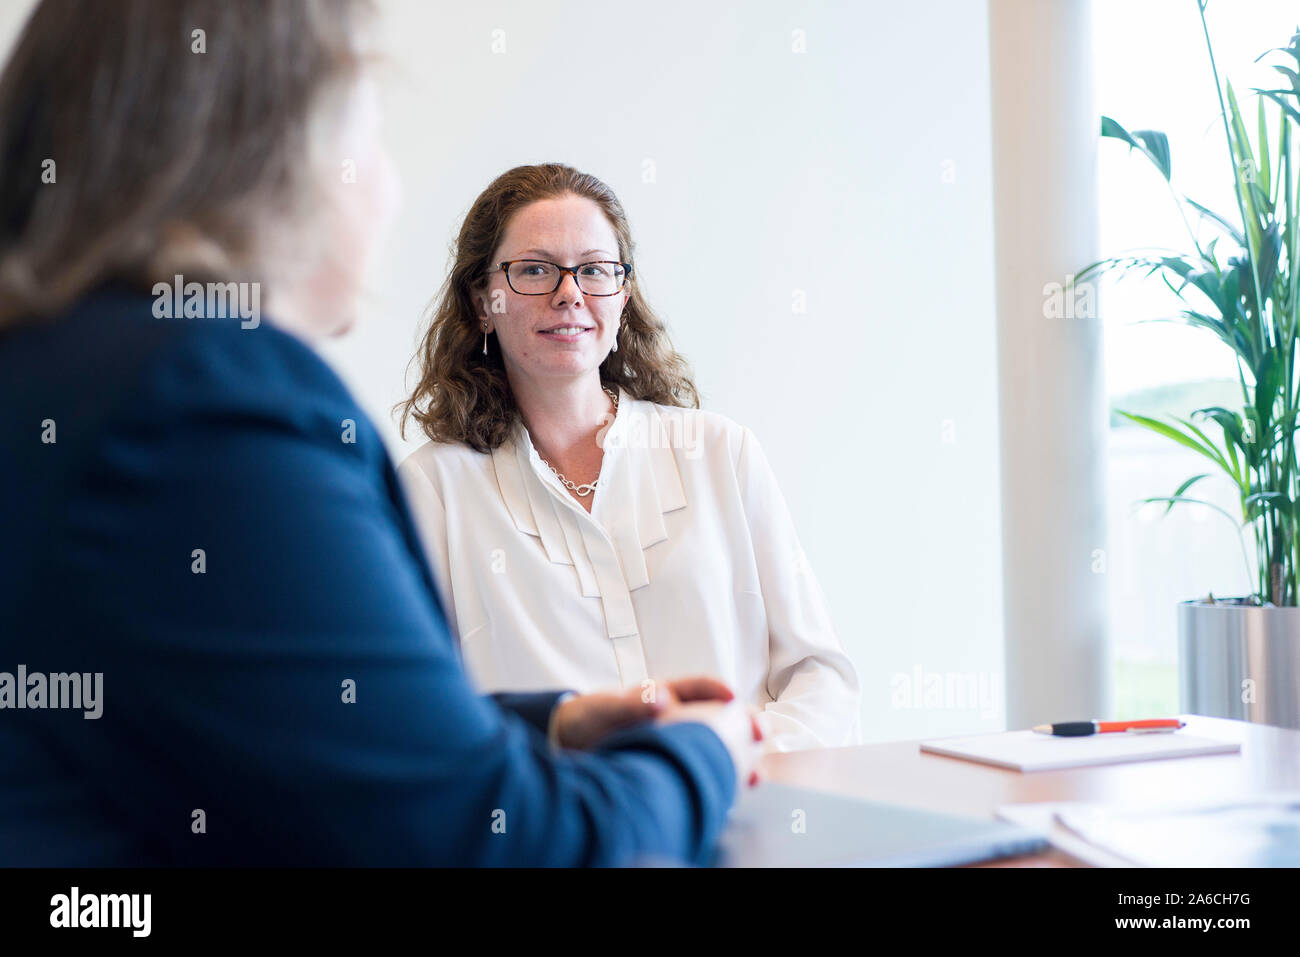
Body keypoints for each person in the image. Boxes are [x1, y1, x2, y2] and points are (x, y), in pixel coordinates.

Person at [0, 0, 760, 867]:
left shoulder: (60, 370)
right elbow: (492, 842)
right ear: (272, 147)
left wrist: (548, 721)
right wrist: (706, 753)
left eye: (595, 271)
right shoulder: (202, 404)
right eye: (371, 127)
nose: (388, 184)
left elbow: (279, 720)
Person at [396, 164, 861, 752]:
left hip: (746, 811)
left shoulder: (720, 453)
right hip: (564, 833)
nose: (570, 293)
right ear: (483, 302)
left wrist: (730, 771)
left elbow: (822, 678)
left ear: (622, 296)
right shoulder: (432, 491)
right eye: (535, 270)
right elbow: (423, 715)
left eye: (593, 270)